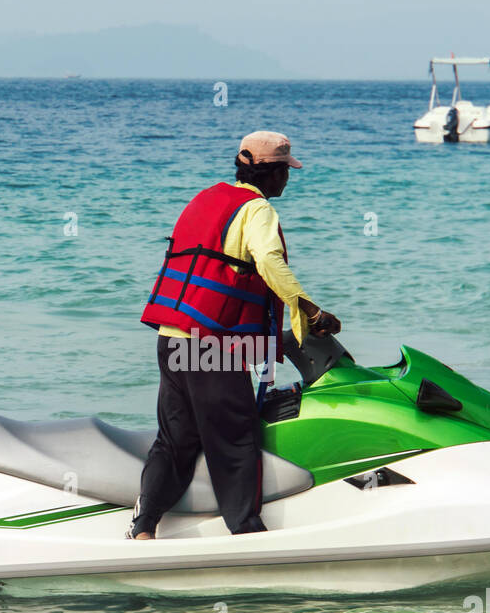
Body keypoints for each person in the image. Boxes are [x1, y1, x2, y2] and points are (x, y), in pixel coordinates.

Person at [129, 131, 341, 540]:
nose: (288, 180)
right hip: (213, 348)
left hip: (174, 338)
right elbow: (268, 261)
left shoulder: (207, 198)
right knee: (235, 440)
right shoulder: (257, 210)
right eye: (286, 171)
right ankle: (246, 533)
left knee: (175, 440)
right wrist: (309, 309)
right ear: (273, 173)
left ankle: (144, 527)